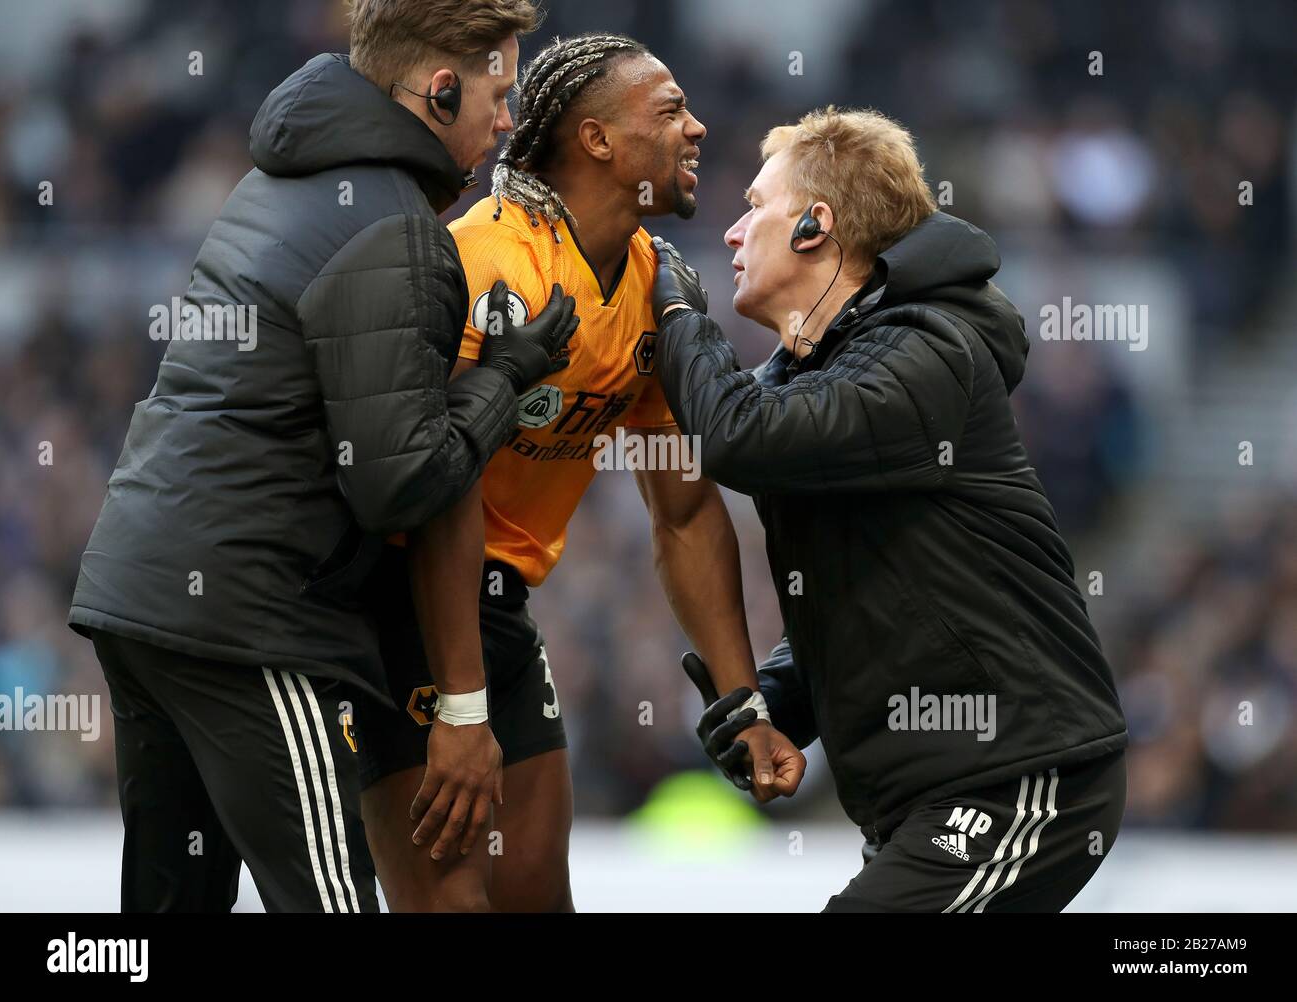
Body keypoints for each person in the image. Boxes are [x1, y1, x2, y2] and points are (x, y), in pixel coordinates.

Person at [67, 0, 577, 912]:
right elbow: (400, 482)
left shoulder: (283, 178)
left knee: (166, 908)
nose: (508, 120)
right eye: (499, 91)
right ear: (440, 86)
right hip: (246, 617)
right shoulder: (394, 225)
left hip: (138, 594)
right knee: (333, 901)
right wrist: (505, 376)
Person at [354, 32, 805, 913]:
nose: (699, 129)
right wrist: (456, 705)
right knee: (448, 906)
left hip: (500, 613)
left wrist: (743, 700)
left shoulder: (653, 285)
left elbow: (682, 512)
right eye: (670, 111)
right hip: (395, 609)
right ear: (597, 141)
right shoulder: (479, 258)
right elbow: (429, 482)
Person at [652, 106, 1128, 912]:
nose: (732, 234)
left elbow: (736, 435)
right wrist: (769, 705)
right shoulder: (827, 373)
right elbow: (876, 601)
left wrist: (674, 315)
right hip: (932, 792)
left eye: (753, 207)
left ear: (815, 225)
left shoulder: (931, 347)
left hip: (1019, 780)